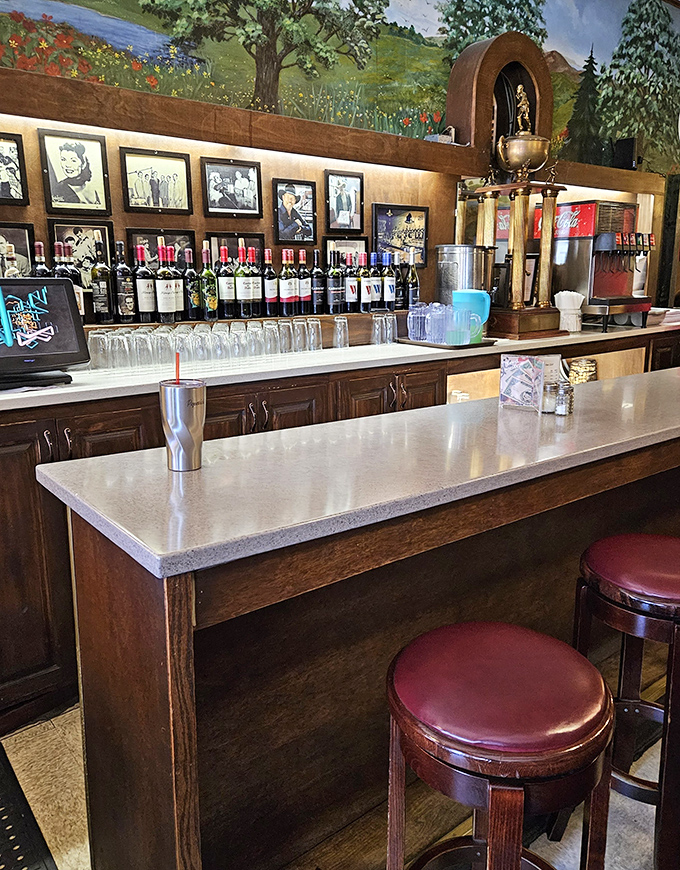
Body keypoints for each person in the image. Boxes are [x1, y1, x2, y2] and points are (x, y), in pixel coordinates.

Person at [51, 141, 101, 206]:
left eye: (73, 160)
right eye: (63, 159)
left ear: (83, 163)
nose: (67, 165)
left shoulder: (93, 188)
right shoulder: (58, 189)